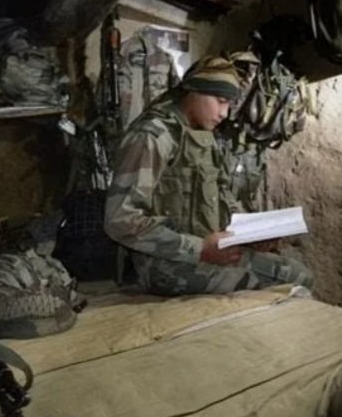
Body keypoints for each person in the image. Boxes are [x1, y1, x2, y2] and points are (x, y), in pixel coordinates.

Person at [104, 54, 314, 296]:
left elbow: (220, 196)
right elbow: (120, 220)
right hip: (162, 264)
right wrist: (199, 249)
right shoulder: (154, 136)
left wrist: (250, 235)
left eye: (229, 104)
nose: (224, 113)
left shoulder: (202, 135)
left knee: (297, 272)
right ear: (193, 92)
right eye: (220, 101)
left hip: (205, 250)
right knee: (292, 280)